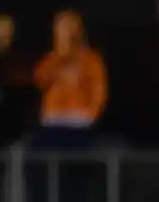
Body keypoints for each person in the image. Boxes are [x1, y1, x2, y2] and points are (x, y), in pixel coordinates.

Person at [33, 10, 107, 148]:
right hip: (52, 122)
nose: (63, 32)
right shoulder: (50, 60)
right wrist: (59, 57)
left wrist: (90, 116)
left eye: (68, 27)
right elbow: (40, 81)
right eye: (59, 27)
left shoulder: (91, 60)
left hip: (79, 123)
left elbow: (99, 92)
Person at [0, 13, 35, 144]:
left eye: (7, 28)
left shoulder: (19, 62)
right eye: (0, 28)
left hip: (12, 125)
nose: (3, 33)